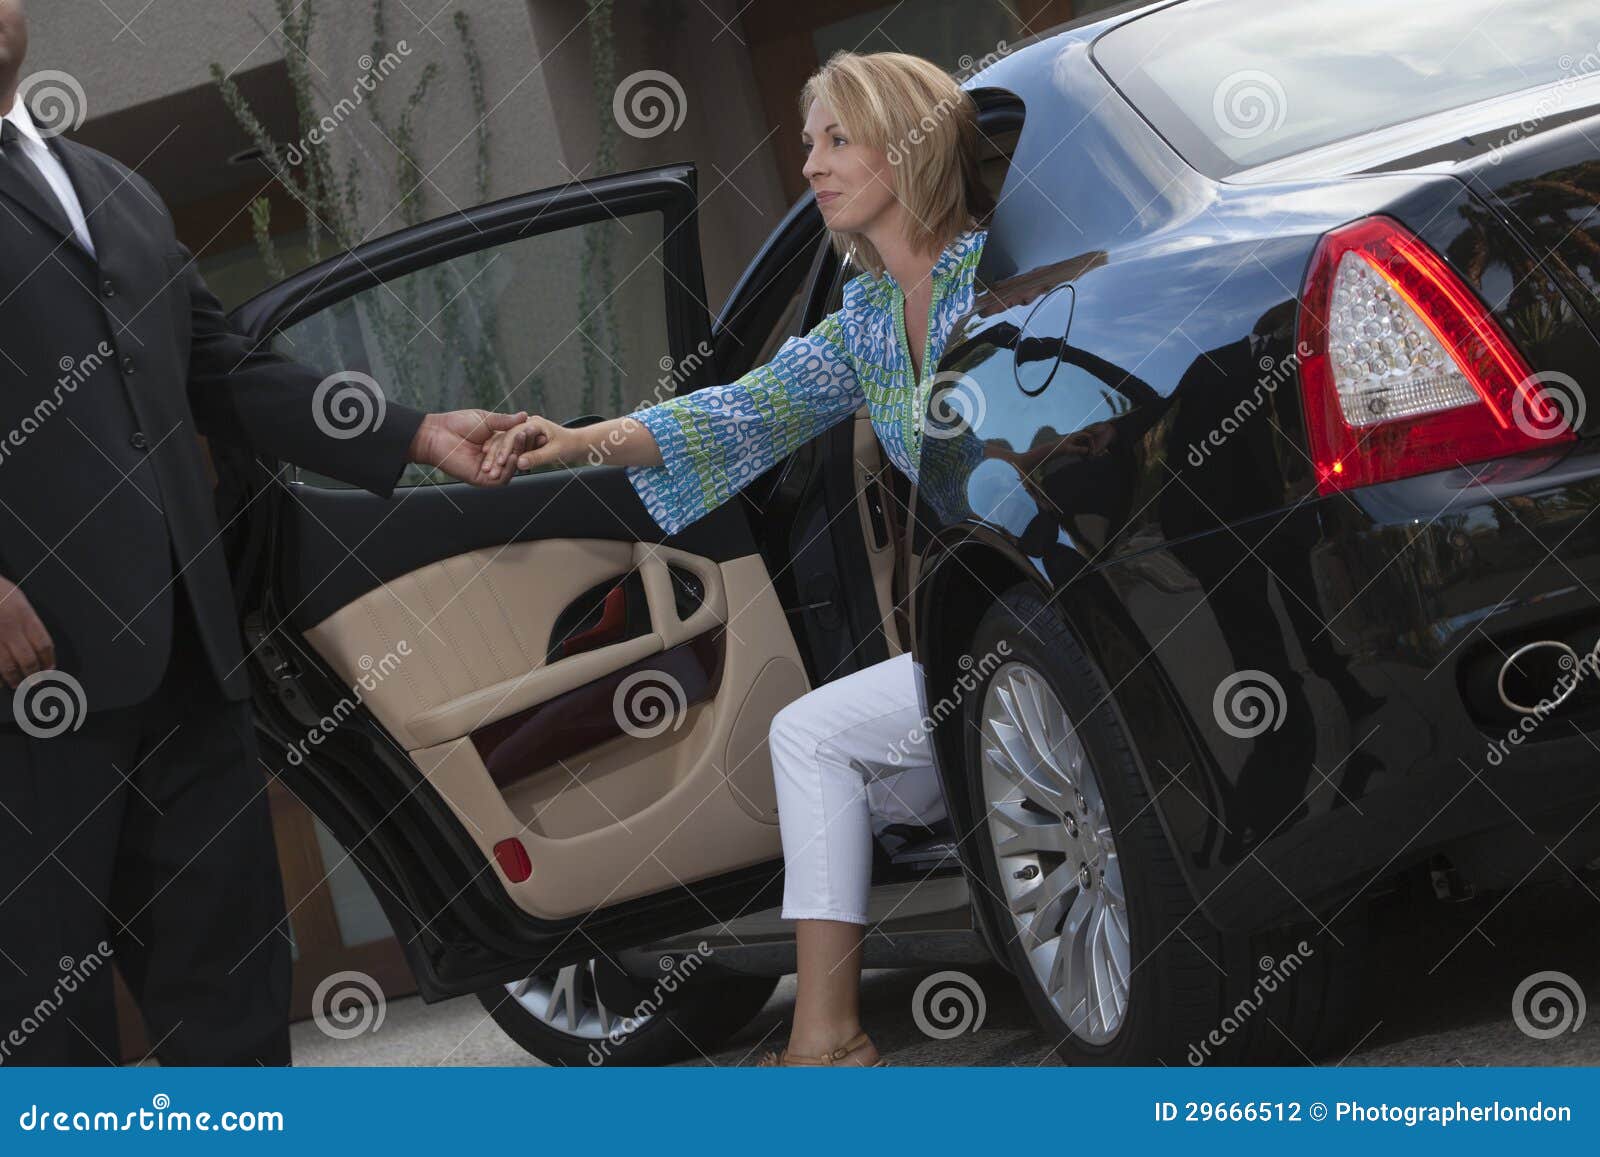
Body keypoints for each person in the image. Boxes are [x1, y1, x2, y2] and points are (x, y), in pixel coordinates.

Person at [0, 0, 531, 1065]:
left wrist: (416, 432)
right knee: (40, 1020)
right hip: (25, 683)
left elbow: (225, 371)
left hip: (189, 663)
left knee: (232, 989)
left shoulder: (118, 191)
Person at [484, 50, 997, 1066]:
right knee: (814, 740)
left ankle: (825, 1040)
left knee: (825, 744)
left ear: (909, 143)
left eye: (837, 139)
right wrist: (578, 439)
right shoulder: (861, 324)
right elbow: (735, 411)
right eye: (808, 140)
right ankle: (828, 1035)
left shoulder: (996, 278)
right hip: (982, 631)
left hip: (1050, 603)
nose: (809, 164)